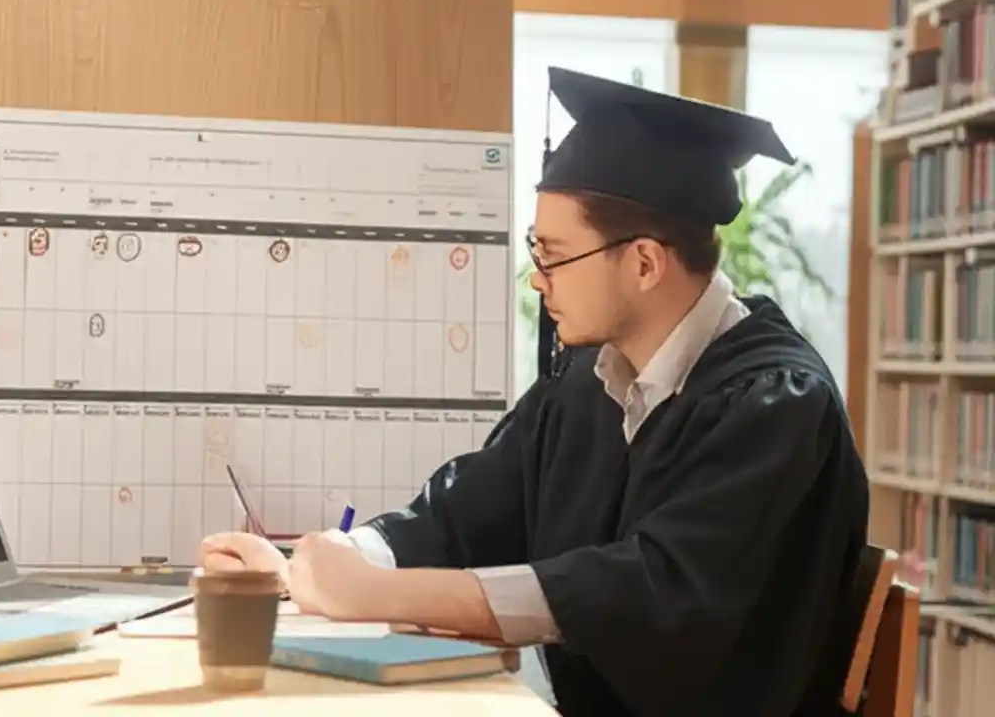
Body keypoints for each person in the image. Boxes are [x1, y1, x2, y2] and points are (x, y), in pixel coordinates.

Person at [200, 67, 869, 717]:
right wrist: (328, 562)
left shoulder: (775, 407)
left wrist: (383, 594)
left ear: (643, 263)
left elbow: (650, 592)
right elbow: (465, 510)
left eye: (552, 254)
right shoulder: (590, 384)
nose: (536, 279)